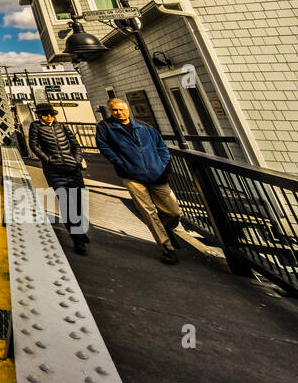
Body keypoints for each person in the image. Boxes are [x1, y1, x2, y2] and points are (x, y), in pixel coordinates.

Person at [96, 97, 183, 264]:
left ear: (128, 109)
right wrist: (119, 162)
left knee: (174, 211)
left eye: (121, 109)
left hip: (156, 174)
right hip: (131, 174)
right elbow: (103, 146)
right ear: (110, 111)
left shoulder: (146, 127)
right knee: (148, 212)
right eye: (114, 110)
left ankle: (166, 229)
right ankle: (167, 248)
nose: (118, 113)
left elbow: (161, 147)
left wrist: (162, 164)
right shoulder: (106, 127)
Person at [27, 102, 90, 254]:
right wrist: (48, 160)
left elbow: (75, 144)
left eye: (51, 114)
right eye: (45, 115)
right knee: (66, 202)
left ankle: (79, 231)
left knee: (77, 201)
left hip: (72, 168)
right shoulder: (36, 127)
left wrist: (77, 159)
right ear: (39, 115)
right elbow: (34, 145)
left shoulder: (62, 126)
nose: (49, 117)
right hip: (54, 170)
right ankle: (78, 240)